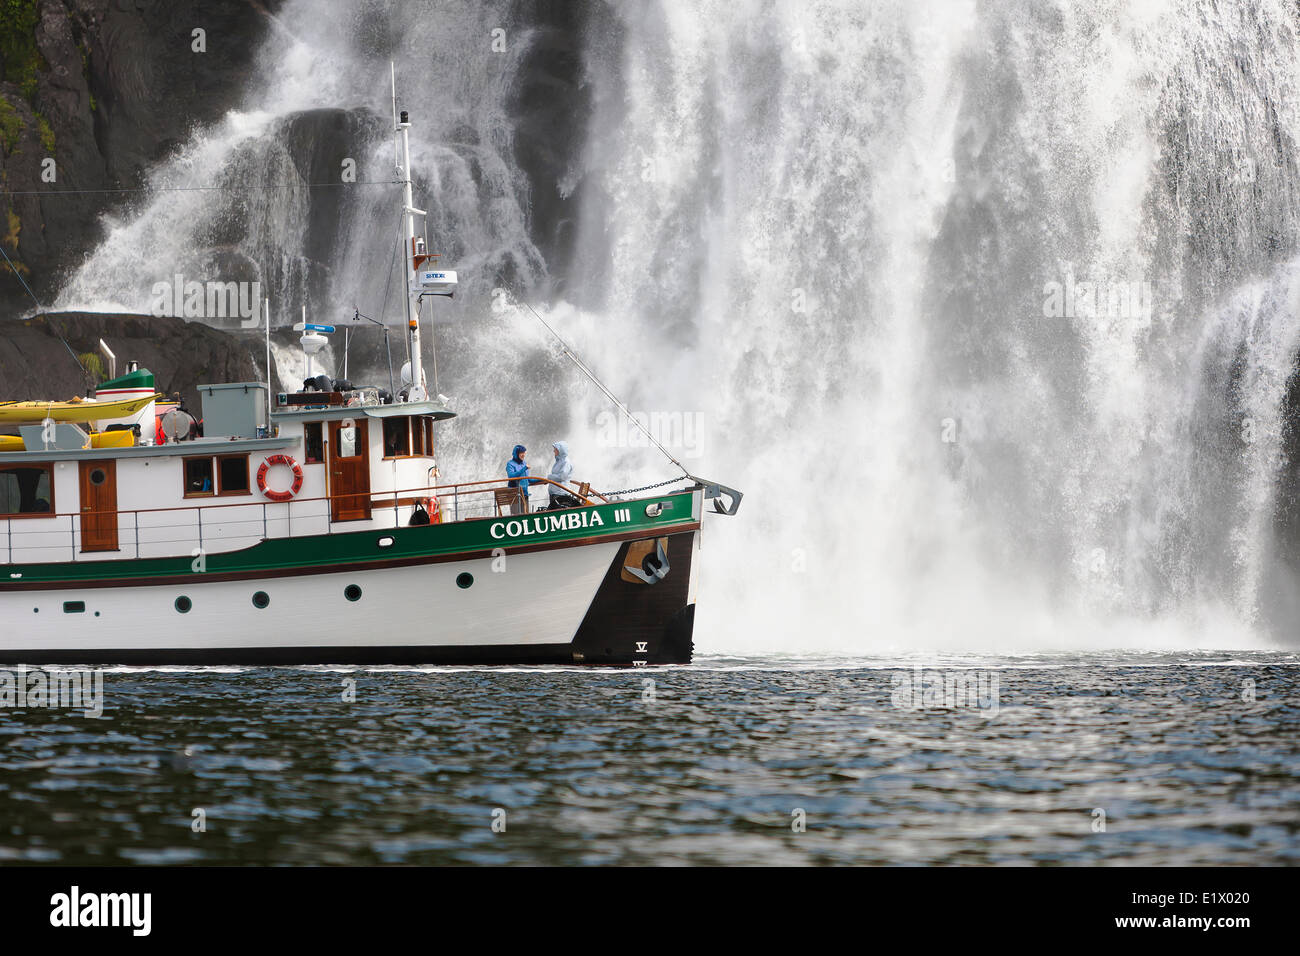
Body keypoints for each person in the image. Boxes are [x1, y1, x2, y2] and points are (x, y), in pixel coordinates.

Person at [545, 441, 579, 509]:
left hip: (561, 494)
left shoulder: (566, 462)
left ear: (560, 450)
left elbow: (562, 477)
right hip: (555, 493)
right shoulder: (558, 461)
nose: (553, 451)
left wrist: (549, 477)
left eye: (555, 449)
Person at [506, 444, 530, 513]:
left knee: (526, 516)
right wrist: (524, 468)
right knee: (516, 515)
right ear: (516, 454)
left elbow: (527, 479)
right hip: (514, 494)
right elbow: (511, 477)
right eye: (521, 453)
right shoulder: (510, 464)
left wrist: (541, 480)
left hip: (524, 494)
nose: (523, 455)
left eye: (524, 453)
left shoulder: (524, 463)